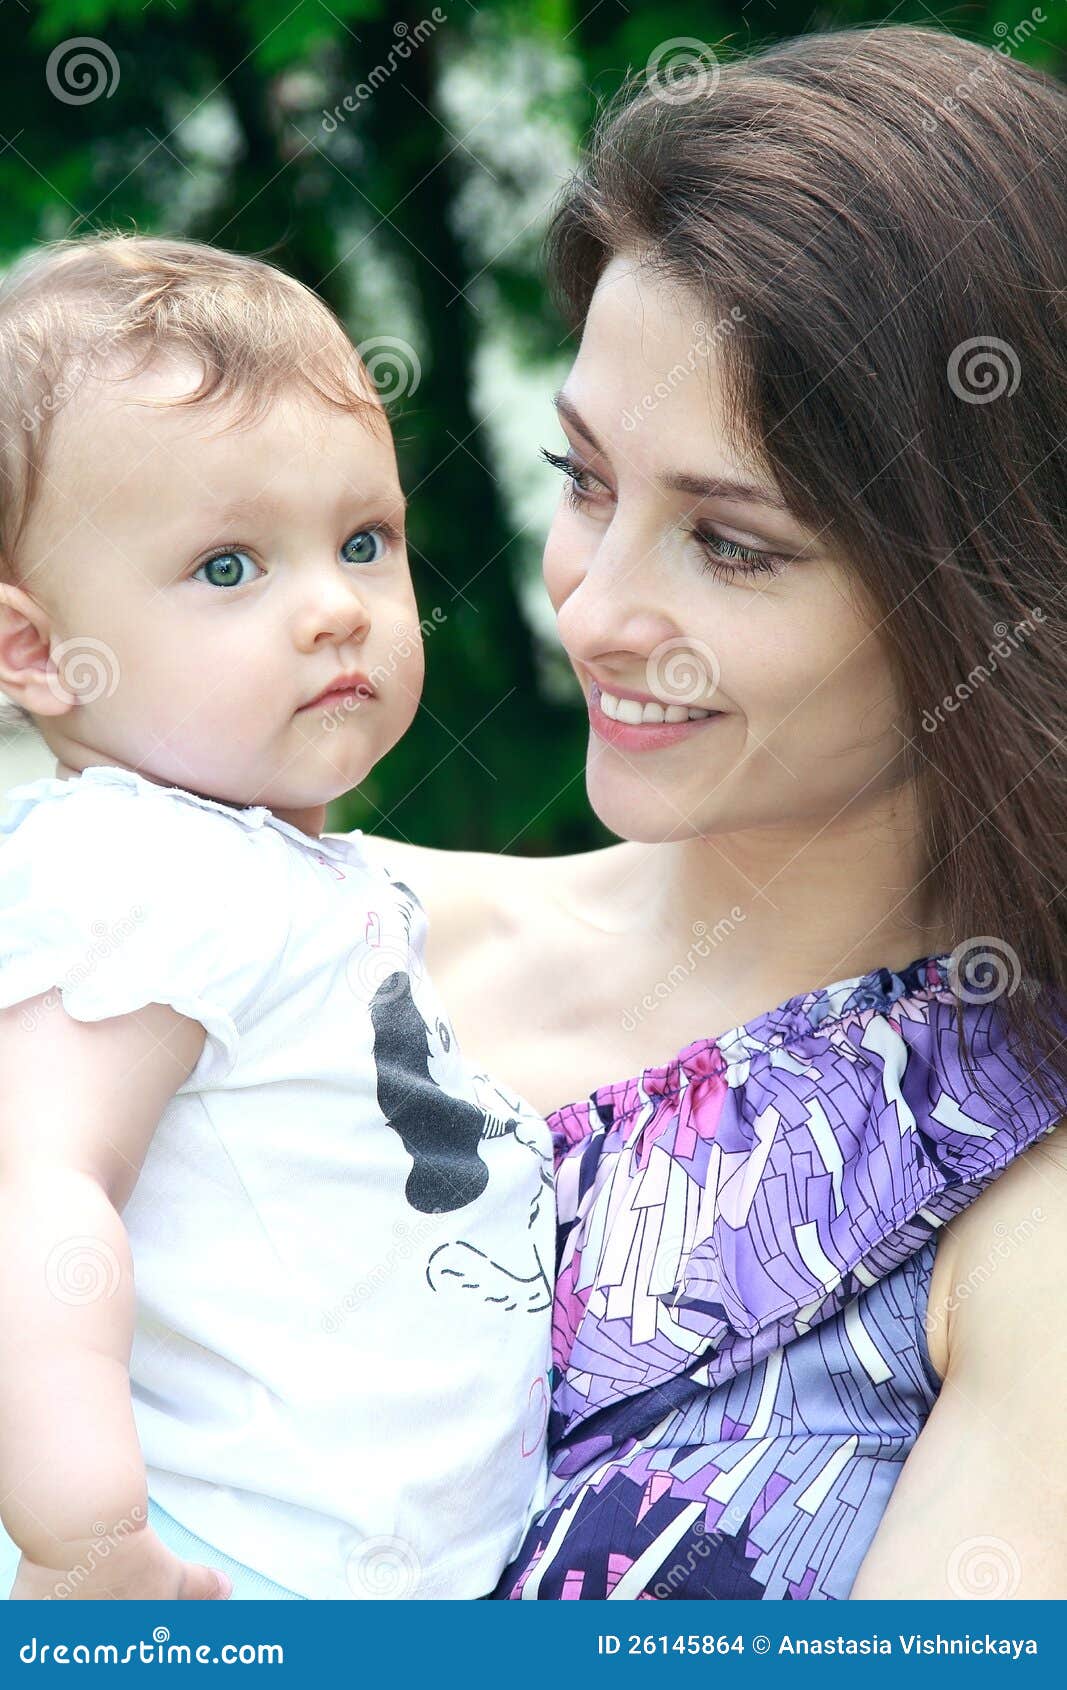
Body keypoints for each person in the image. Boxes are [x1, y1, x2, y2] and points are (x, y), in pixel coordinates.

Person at [365, 25, 1067, 1599]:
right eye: (587, 476)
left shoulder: (1025, 1198)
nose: (596, 609)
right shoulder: (296, 936)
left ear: (993, 588)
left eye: (733, 543)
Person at [0, 236, 553, 1602]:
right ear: (32, 652)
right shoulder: (133, 867)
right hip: (238, 1581)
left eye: (364, 540)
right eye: (230, 566)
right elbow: (36, 1189)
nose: (332, 608)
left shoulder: (290, 870)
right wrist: (81, 1531)